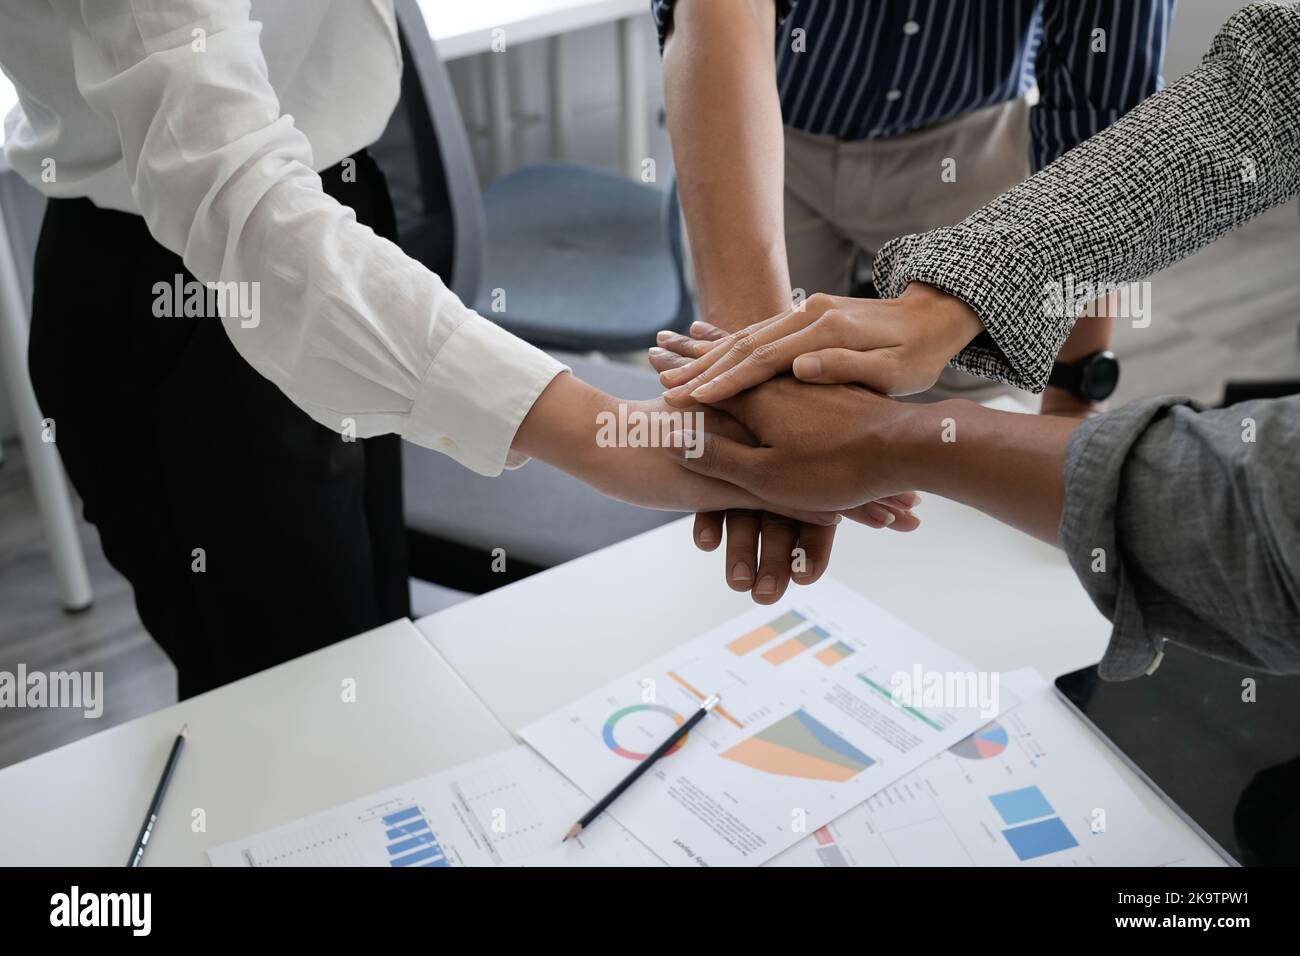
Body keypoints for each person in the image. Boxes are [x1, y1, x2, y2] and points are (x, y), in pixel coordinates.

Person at [0, 1, 910, 696]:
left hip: (346, 222)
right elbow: (233, 195)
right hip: (191, 282)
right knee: (300, 725)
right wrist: (607, 434)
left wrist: (747, 377)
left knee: (370, 666)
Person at [652, 1, 1300, 678]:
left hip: (960, 147)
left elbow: (1102, 100)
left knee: (965, 542)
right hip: (768, 121)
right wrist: (754, 368)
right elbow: (1271, 88)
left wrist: (1068, 385)